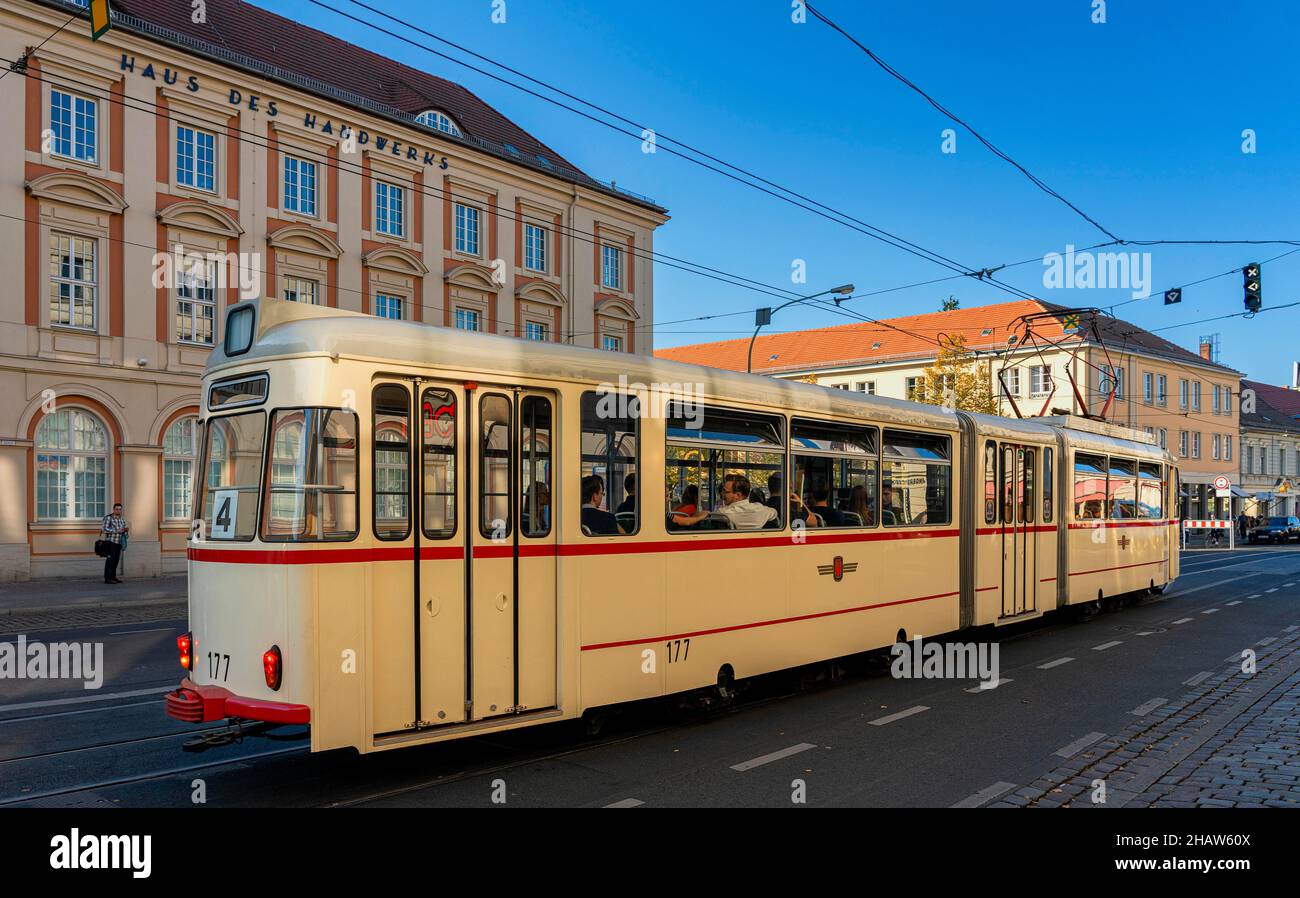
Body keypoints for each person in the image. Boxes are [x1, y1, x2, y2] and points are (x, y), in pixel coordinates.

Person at [713, 474, 777, 530]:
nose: (722, 493)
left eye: (725, 491)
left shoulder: (724, 514)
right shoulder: (761, 509)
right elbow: (774, 513)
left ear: (738, 495)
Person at [100, 502, 128, 584]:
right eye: (117, 509)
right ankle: (107, 578)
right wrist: (117, 531)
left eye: (120, 509)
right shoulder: (109, 518)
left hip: (119, 543)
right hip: (111, 542)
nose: (118, 511)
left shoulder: (121, 519)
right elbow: (104, 529)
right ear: (113, 509)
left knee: (116, 561)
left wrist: (125, 531)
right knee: (110, 560)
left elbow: (123, 530)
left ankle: (113, 577)